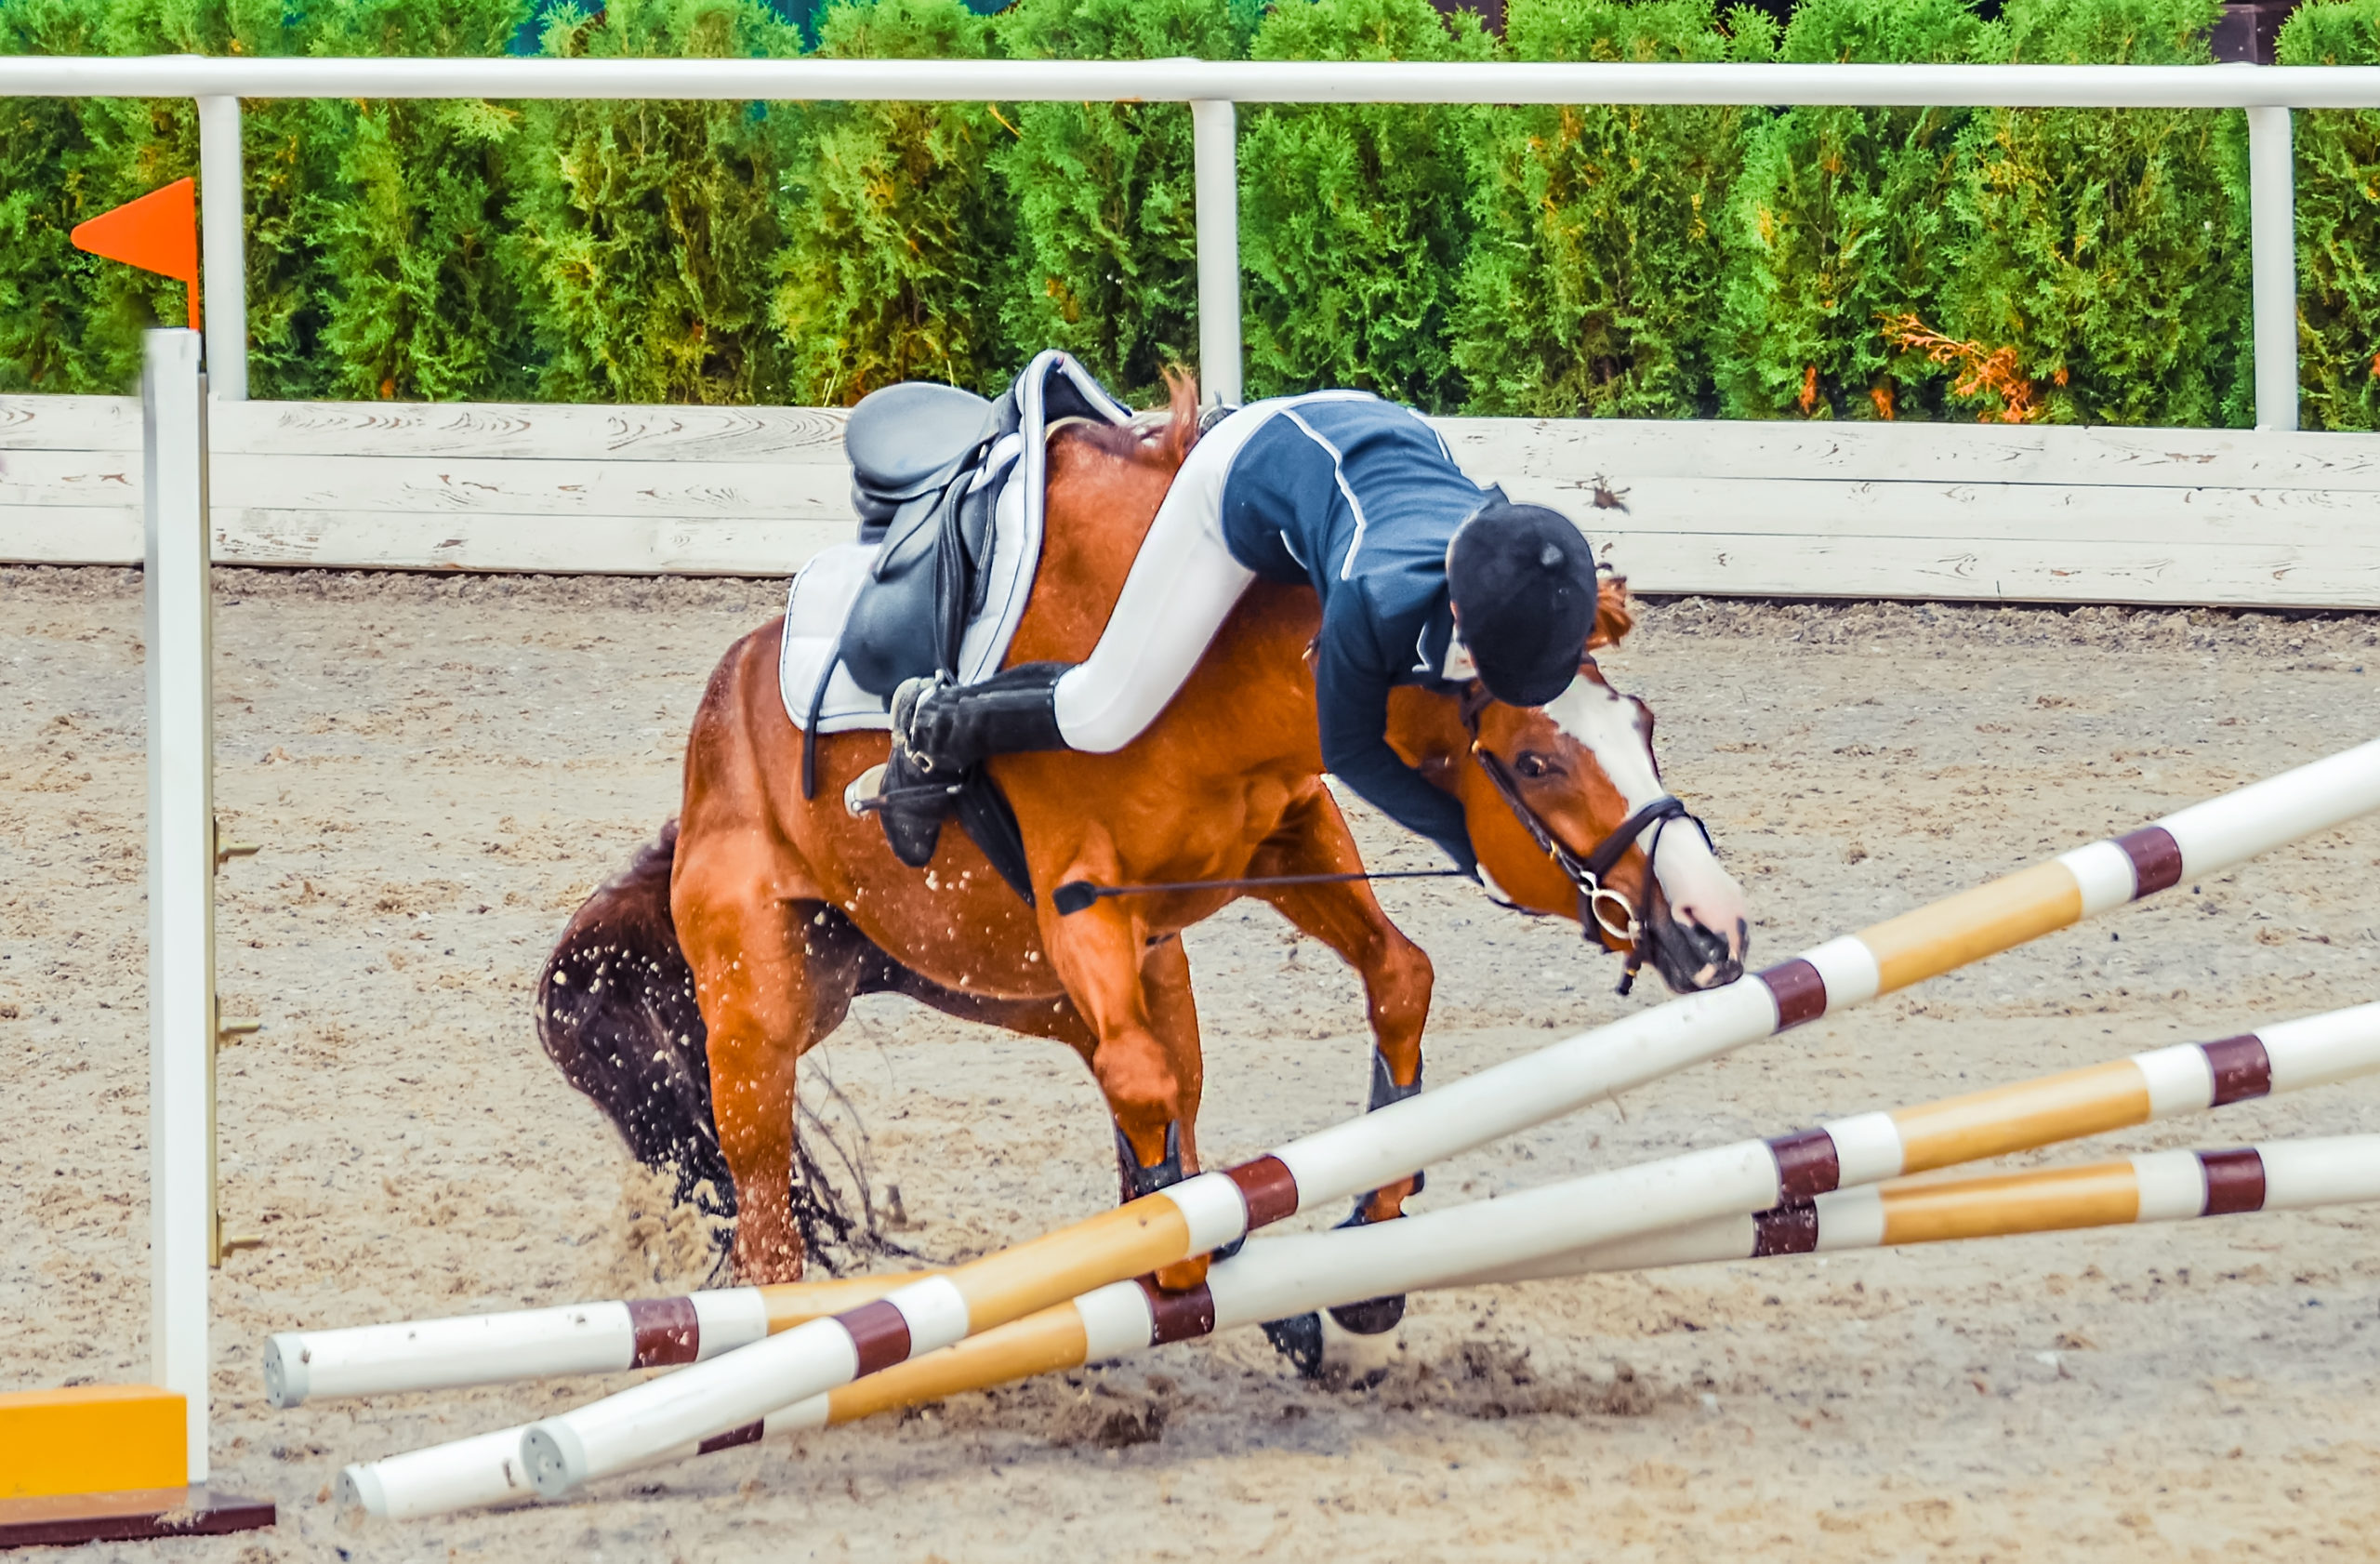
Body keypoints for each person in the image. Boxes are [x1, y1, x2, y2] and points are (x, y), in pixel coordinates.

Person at [886, 390, 1598, 876]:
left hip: (1373, 430)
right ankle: (936, 726)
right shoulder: (1370, 596)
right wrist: (1465, 842)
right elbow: (1351, 750)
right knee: (1103, 711)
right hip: (1238, 476)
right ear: (1459, 617)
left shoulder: (1516, 546)